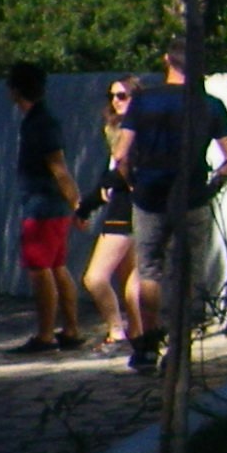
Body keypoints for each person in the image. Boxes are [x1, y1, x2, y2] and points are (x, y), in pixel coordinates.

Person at [121, 53, 227, 372]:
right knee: (186, 271)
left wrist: (133, 182)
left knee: (149, 269)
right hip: (192, 196)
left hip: (149, 195)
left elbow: (121, 153)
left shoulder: (143, 101)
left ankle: (148, 345)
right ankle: (179, 346)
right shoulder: (210, 104)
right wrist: (212, 186)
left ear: (165, 60)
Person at [3, 63, 83, 354]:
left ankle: (46, 335)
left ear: (14, 90)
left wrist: (77, 203)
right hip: (52, 205)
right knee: (58, 267)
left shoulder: (41, 123)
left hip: (43, 207)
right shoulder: (38, 119)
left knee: (40, 269)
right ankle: (71, 329)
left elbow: (59, 168)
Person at [76, 79, 144, 352]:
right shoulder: (122, 130)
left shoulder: (135, 133)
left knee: (95, 277)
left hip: (125, 211)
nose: (115, 100)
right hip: (136, 210)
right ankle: (140, 335)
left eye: (122, 95)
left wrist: (88, 204)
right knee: (131, 280)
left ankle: (117, 332)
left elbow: (123, 172)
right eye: (112, 95)